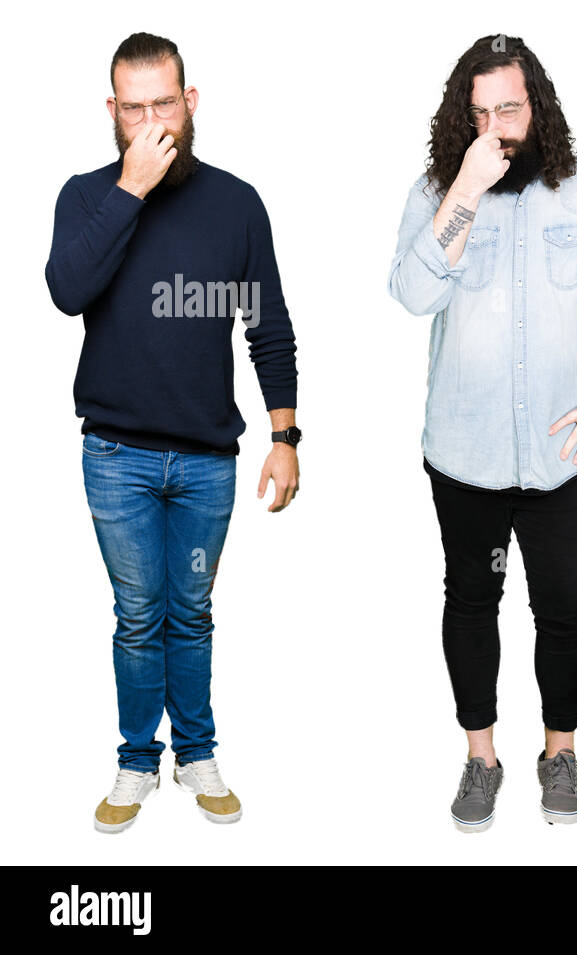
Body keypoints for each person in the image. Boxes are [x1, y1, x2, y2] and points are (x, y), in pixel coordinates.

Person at [388, 34, 577, 832]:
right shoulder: (438, 192)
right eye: (479, 114)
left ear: (537, 105)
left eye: (509, 109)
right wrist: (465, 196)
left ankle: (561, 751)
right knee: (471, 601)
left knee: (563, 607)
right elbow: (412, 293)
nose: (495, 129)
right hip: (464, 454)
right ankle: (481, 758)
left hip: (561, 460)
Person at [45, 33, 300, 833]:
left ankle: (196, 753)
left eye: (164, 104)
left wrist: (287, 435)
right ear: (112, 114)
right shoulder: (87, 195)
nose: (150, 122)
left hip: (205, 462)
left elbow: (270, 328)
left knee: (189, 611)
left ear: (190, 105)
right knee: (137, 613)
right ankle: (134, 762)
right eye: (133, 109)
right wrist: (130, 187)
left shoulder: (236, 202)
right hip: (115, 456)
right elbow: (66, 289)